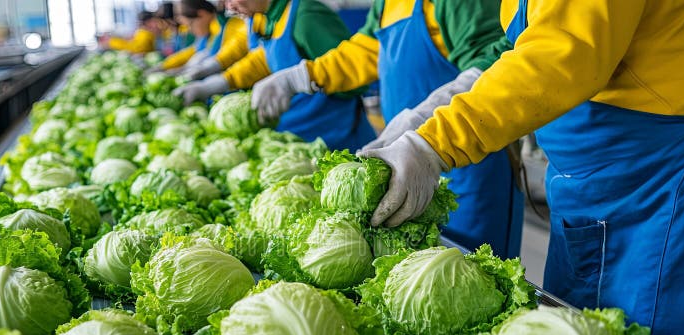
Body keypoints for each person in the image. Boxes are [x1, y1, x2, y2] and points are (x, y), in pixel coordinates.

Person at [361, 0, 684, 335]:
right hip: (592, 189)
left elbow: (559, 58)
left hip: (654, 190)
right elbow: (522, 46)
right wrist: (433, 109)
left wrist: (435, 143)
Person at [250, 0, 524, 259]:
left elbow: (496, 63)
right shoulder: (385, 3)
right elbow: (367, 51)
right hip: (406, 159)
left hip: (470, 165)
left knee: (475, 273)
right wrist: (303, 76)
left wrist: (426, 123)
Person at [173, 0, 376, 151]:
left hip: (335, 137)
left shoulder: (306, 16)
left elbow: (355, 80)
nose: (230, 7)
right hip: (298, 136)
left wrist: (300, 80)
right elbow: (264, 58)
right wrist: (220, 81)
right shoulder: (265, 18)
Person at [159, 0, 246, 74]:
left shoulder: (231, 26)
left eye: (191, 24)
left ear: (202, 14)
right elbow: (194, 50)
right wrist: (165, 65)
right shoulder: (211, 31)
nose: (190, 30)